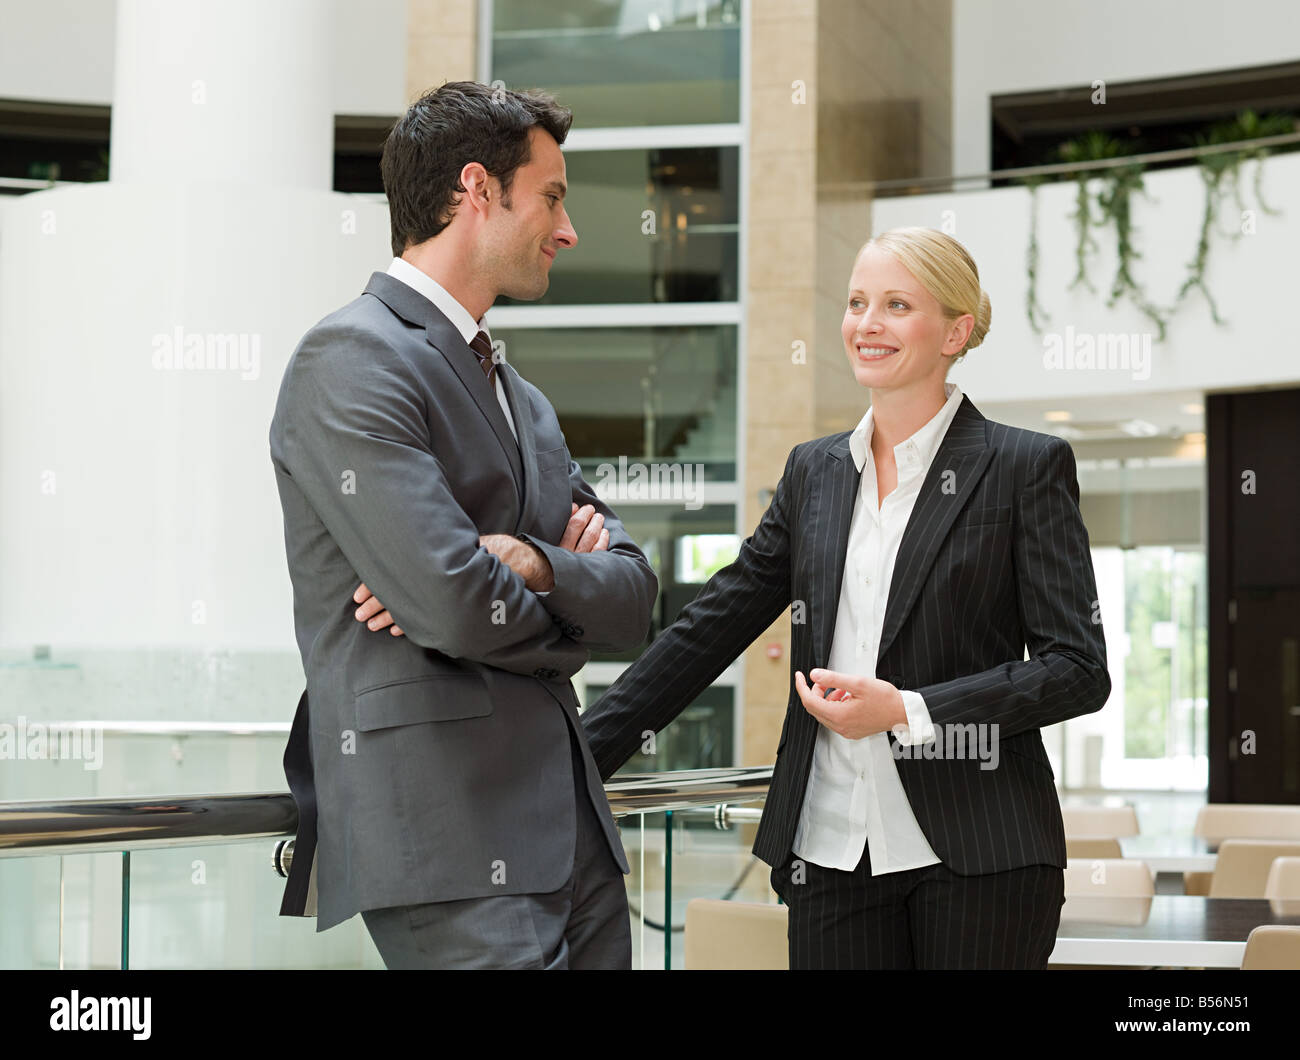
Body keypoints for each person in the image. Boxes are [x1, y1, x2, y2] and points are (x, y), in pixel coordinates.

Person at [579, 226, 1112, 969]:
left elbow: (1078, 668)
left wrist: (906, 711)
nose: (867, 323)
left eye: (897, 304)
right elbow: (713, 625)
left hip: (982, 854)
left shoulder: (1024, 466)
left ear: (956, 330)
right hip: (828, 852)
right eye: (858, 301)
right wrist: (580, 755)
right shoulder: (814, 473)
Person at [269, 80, 657, 969]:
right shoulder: (352, 357)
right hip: (446, 835)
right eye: (552, 197)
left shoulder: (525, 401)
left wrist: (529, 563)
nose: (567, 231)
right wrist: (561, 609)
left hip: (573, 835)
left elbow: (636, 598)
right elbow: (449, 598)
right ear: (477, 191)